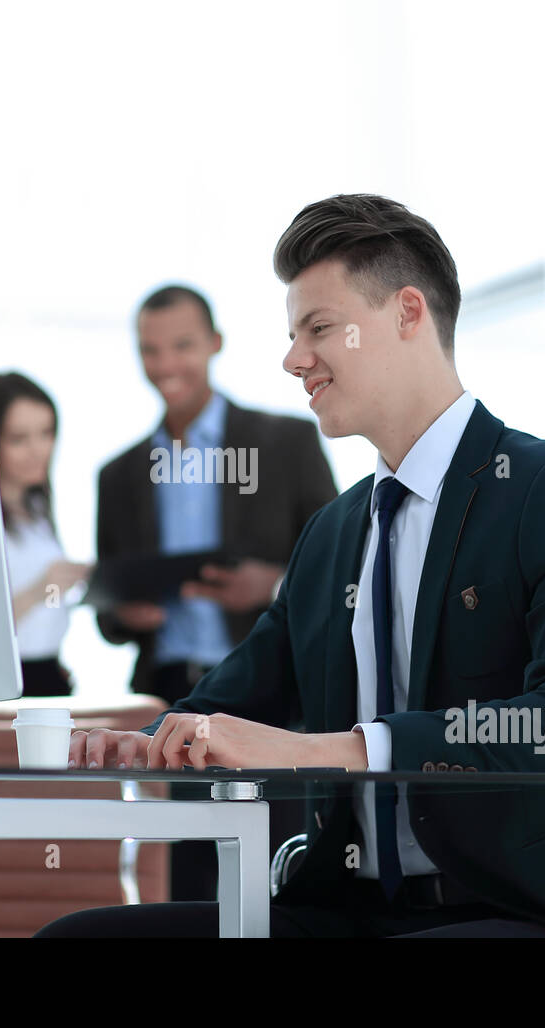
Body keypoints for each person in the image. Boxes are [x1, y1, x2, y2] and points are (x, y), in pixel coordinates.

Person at [38, 194, 545, 938]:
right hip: (348, 907)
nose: (293, 358)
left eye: (319, 329)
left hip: (519, 907)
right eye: (291, 333)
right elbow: (238, 700)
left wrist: (337, 751)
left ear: (407, 313)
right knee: (77, 939)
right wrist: (154, 741)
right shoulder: (334, 532)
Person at [94, 284, 339, 900]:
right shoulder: (120, 474)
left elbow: (344, 573)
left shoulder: (283, 443)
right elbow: (108, 611)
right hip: (170, 693)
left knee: (275, 873)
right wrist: (123, 611)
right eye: (149, 350)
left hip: (269, 700)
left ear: (215, 344)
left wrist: (271, 584)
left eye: (181, 346)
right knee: (186, 880)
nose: (165, 365)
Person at [0, 372, 88, 698]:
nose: (38, 450)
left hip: (48, 675)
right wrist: (42, 590)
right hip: (4, 686)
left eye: (46, 433)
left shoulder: (37, 511)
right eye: (18, 439)